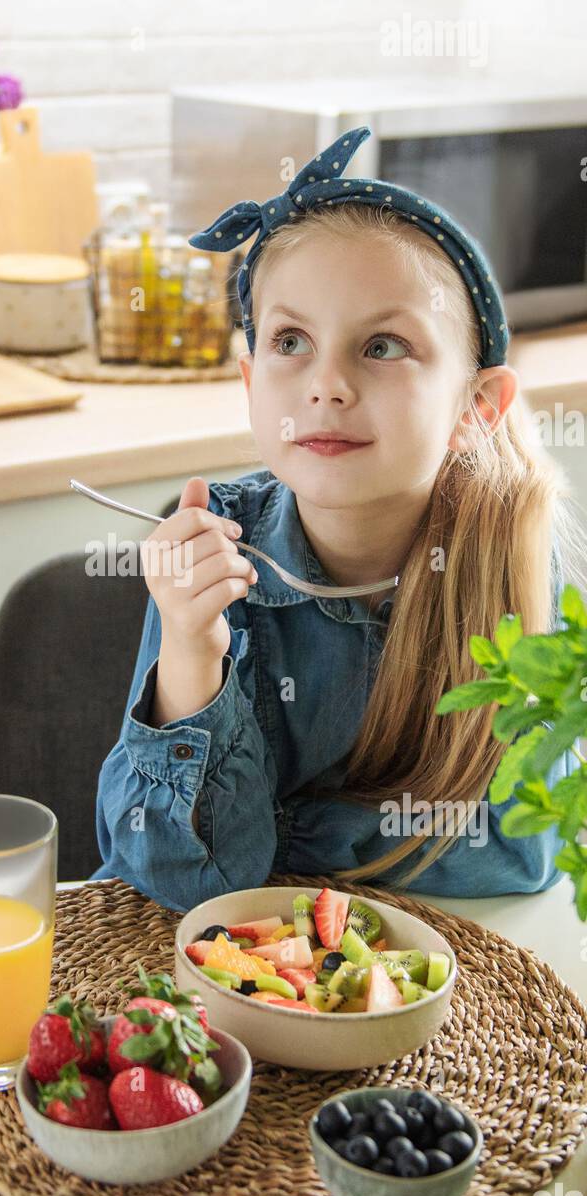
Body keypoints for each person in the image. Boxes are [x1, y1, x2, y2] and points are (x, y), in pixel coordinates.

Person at [92, 127, 583, 913]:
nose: (326, 385)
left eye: (382, 345)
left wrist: (277, 834)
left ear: (476, 409)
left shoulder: (514, 556)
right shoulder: (218, 547)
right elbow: (173, 875)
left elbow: (523, 849)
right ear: (251, 381)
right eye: (291, 341)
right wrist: (192, 651)